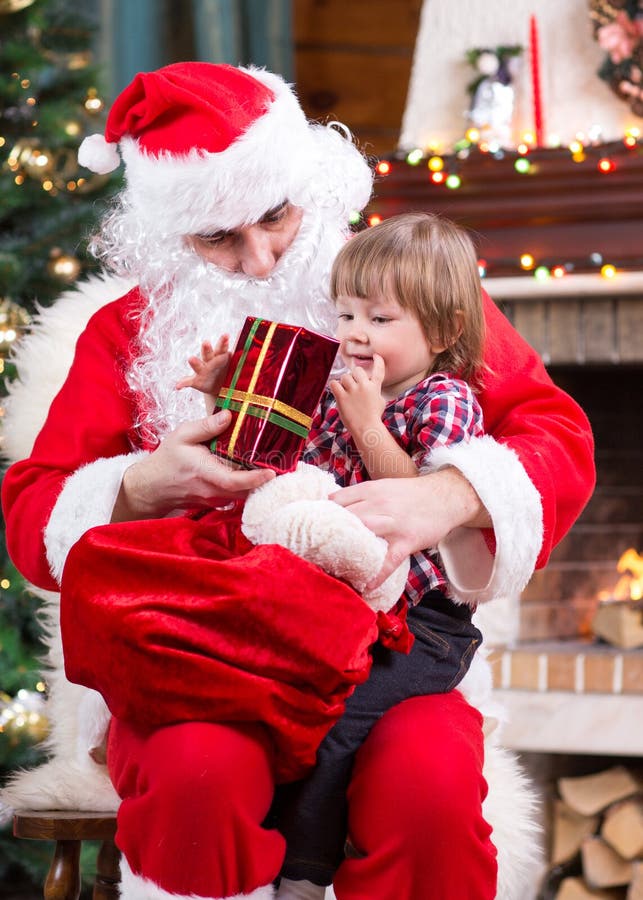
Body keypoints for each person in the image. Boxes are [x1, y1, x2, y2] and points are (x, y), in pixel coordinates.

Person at [1, 61, 595, 900]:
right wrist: (138, 486)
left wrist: (445, 494)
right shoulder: (123, 333)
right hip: (200, 654)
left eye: (275, 215)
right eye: (216, 236)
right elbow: (33, 510)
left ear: (308, 178)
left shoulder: (399, 290)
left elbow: (554, 432)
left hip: (382, 648)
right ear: (166, 231)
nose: (258, 257)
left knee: (427, 793)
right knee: (198, 782)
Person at [181, 211, 490, 897]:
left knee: (337, 721)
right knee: (272, 700)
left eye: (379, 320)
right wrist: (219, 392)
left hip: (422, 627)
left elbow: (419, 498)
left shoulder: (445, 400)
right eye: (345, 313)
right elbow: (280, 455)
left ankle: (304, 873)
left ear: (440, 332)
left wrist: (369, 426)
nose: (353, 333)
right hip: (334, 607)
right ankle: (253, 852)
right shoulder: (342, 385)